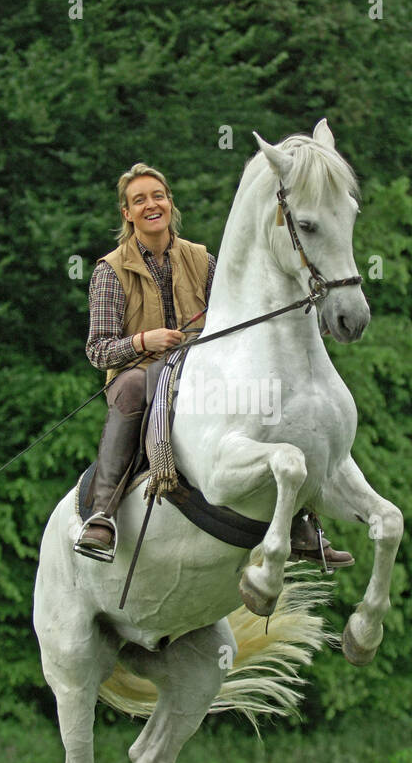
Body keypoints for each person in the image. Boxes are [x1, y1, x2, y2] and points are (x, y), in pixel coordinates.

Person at [75, 161, 354, 570]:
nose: (151, 205)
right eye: (139, 200)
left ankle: (299, 522)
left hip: (204, 372)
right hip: (140, 375)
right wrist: (143, 341)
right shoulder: (109, 271)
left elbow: (239, 310)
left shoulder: (203, 259)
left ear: (169, 202)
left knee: (277, 402)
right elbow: (98, 350)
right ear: (127, 214)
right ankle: (103, 514)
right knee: (135, 387)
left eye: (158, 196)